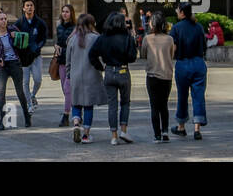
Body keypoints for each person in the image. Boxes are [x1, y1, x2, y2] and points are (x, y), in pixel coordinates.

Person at [88, 11, 138, 145]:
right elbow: (132, 57)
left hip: (109, 71)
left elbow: (92, 54)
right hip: (123, 70)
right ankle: (124, 130)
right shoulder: (127, 37)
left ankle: (114, 136)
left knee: (112, 105)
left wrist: (100, 67)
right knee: (125, 102)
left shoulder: (103, 38)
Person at [66, 13, 106, 144]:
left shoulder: (71, 39)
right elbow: (101, 58)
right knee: (88, 106)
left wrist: (68, 75)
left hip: (75, 76)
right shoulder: (96, 38)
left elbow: (68, 61)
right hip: (91, 76)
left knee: (76, 103)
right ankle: (86, 135)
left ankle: (76, 124)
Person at [169, 3, 208, 140]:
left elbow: (173, 48)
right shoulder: (198, 27)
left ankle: (181, 127)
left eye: (178, 10)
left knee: (182, 95)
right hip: (198, 63)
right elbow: (204, 46)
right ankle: (197, 129)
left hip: (183, 64)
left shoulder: (176, 28)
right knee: (198, 96)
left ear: (182, 12)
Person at [0, 10, 32, 129]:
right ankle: (2, 120)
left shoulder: (12, 30)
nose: (4, 21)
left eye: (5, 19)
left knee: (20, 92)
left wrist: (17, 36)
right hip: (3, 66)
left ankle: (26, 115)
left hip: (15, 64)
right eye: (1, 19)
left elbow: (25, 41)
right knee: (1, 93)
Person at [141, 11, 174, 142]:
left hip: (152, 75)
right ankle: (165, 131)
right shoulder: (170, 39)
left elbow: (143, 54)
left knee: (154, 106)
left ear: (152, 24)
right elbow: (171, 55)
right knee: (164, 104)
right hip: (166, 75)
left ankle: (157, 134)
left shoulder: (147, 39)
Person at [14, 0, 49, 112]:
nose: (29, 7)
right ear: (23, 8)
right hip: (23, 57)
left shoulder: (40, 23)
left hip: (36, 56)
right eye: (27, 5)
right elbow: (12, 36)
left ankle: (33, 95)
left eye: (31, 5)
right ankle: (29, 104)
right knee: (25, 82)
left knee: (38, 79)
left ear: (34, 8)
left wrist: (38, 47)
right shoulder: (19, 23)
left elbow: (44, 38)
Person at [53, 4, 76, 126]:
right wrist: (56, 46)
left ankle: (66, 115)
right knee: (65, 89)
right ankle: (77, 111)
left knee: (67, 89)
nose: (64, 14)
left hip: (72, 62)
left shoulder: (76, 28)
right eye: (63, 11)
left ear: (71, 13)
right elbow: (58, 41)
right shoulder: (59, 26)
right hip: (61, 61)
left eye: (67, 11)